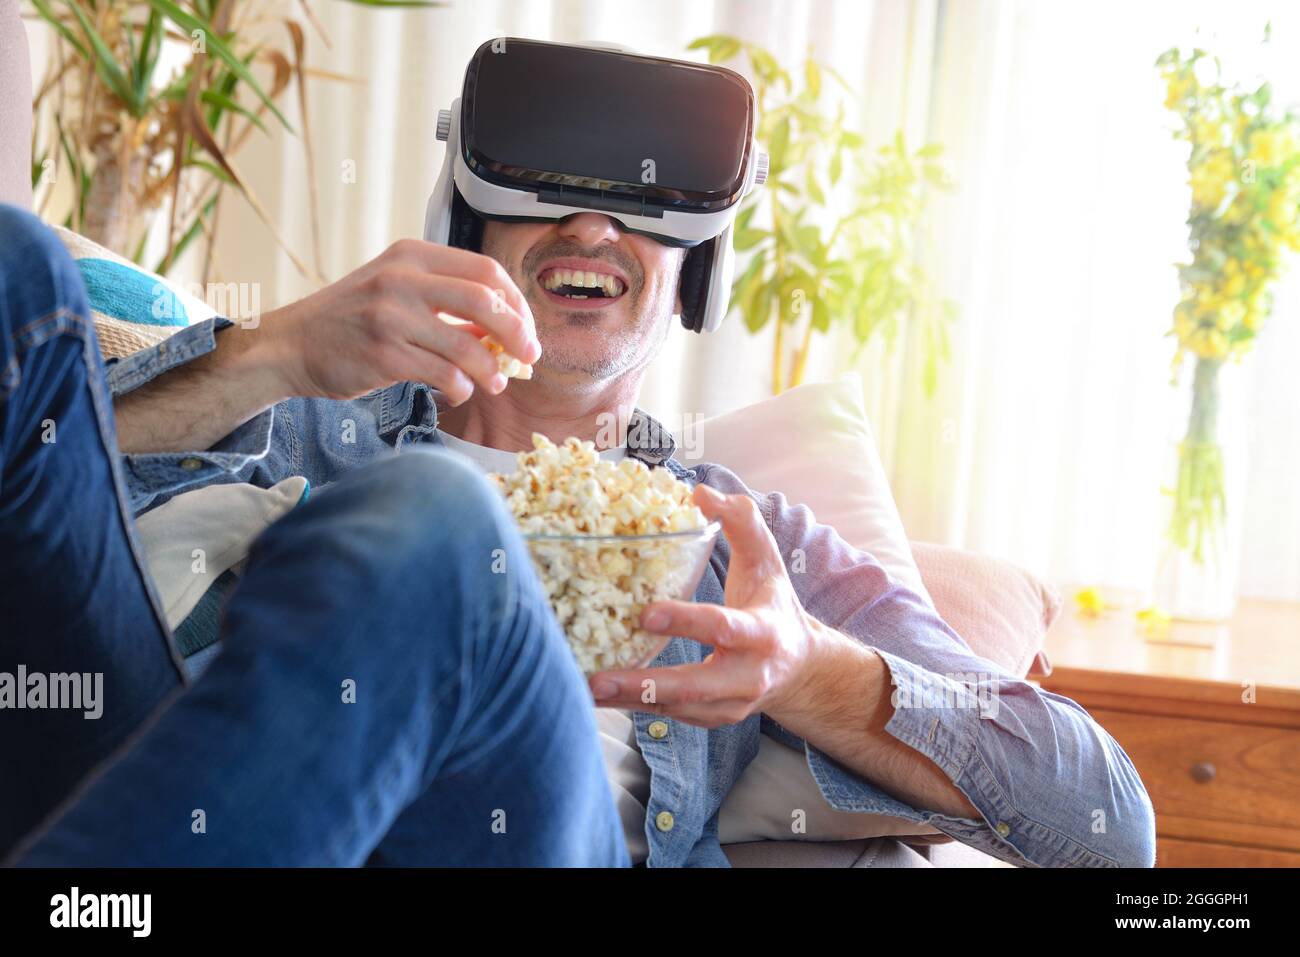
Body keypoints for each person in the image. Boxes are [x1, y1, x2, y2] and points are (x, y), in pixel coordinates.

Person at [0, 11, 1155, 866]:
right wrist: (270, 355)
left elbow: (1108, 824)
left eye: (645, 206)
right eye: (549, 185)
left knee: (438, 525)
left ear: (695, 268)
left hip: (504, 830)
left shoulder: (741, 542)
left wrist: (806, 669)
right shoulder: (295, 414)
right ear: (465, 215)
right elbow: (44, 496)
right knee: (19, 270)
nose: (593, 223)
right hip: (129, 767)